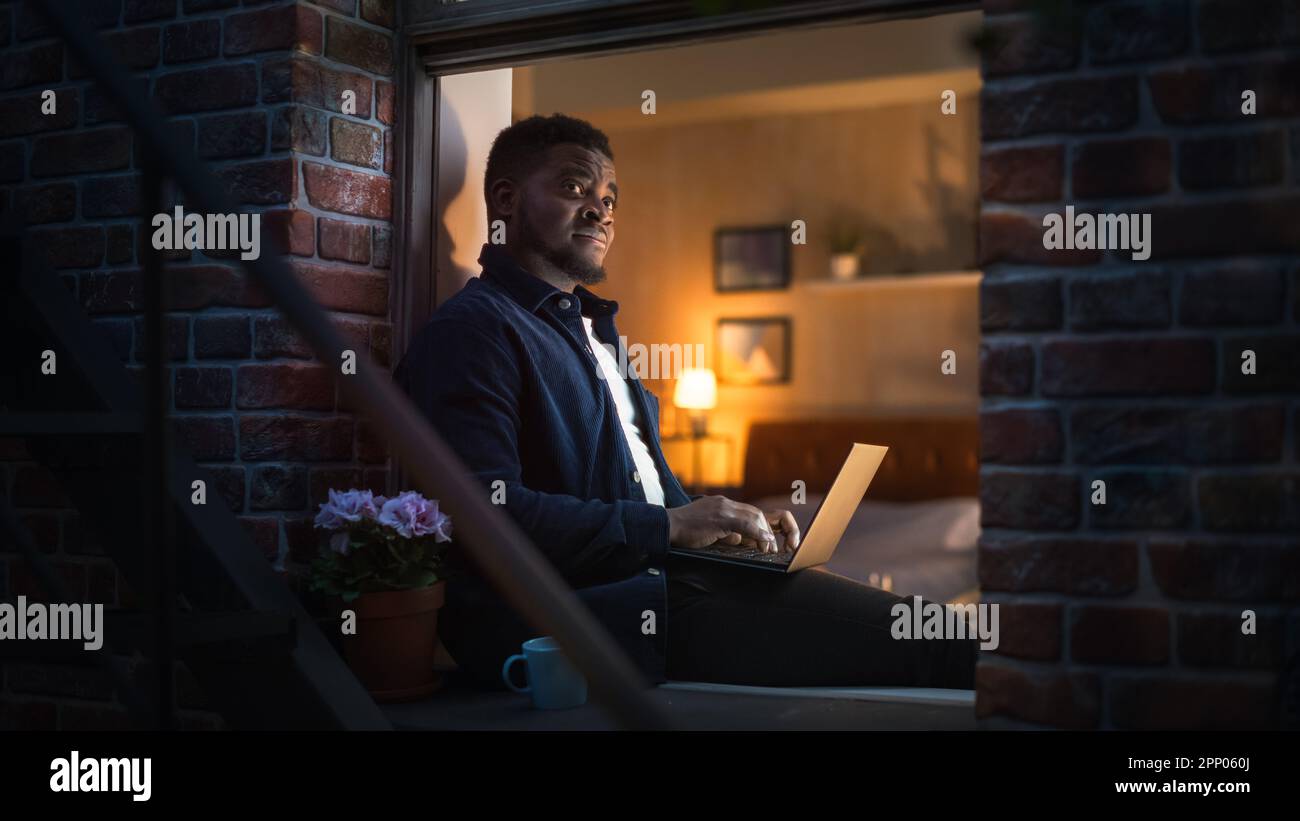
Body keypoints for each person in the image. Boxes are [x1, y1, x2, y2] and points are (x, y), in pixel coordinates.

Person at [395, 114, 976, 691]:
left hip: (677, 578)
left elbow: (644, 502)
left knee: (950, 632)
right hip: (612, 607)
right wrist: (672, 525)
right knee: (946, 645)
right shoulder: (474, 331)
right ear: (506, 199)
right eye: (574, 187)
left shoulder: (597, 335)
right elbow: (484, 514)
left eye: (609, 199)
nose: (601, 211)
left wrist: (723, 522)